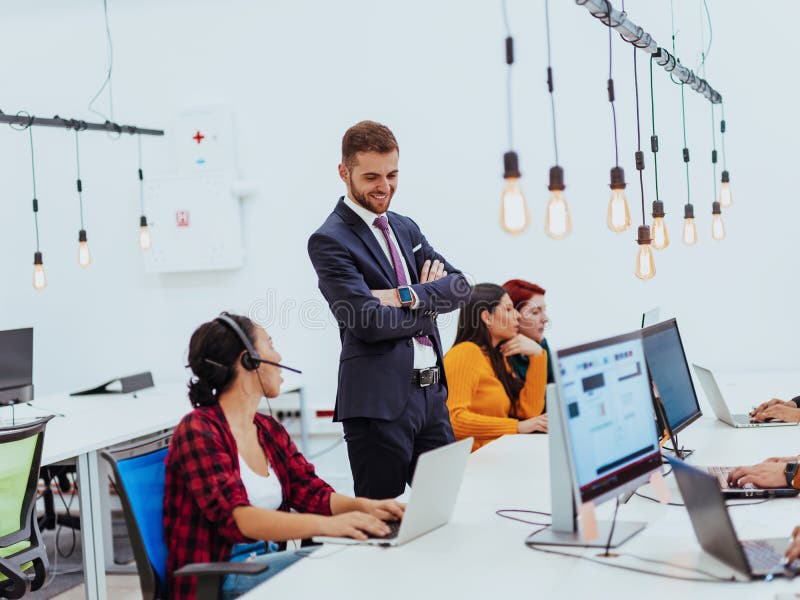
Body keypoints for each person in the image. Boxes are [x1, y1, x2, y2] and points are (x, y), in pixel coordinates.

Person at [164, 313, 404, 599]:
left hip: (262, 565)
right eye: (270, 344)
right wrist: (331, 526)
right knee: (341, 568)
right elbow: (240, 518)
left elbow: (310, 492)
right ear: (248, 360)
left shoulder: (267, 429)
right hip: (221, 575)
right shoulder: (199, 429)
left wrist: (365, 507)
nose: (279, 356)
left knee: (364, 552)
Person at [307, 121, 470, 499]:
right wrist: (430, 301)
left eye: (392, 174)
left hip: (432, 399)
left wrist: (404, 295)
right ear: (343, 173)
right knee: (382, 522)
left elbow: (460, 287)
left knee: (446, 504)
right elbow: (368, 322)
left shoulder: (405, 228)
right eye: (371, 176)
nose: (384, 186)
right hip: (377, 406)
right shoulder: (329, 240)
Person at [444, 283, 548, 452]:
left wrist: (538, 357)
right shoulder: (465, 353)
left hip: (497, 454)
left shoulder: (497, 358)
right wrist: (517, 427)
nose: (517, 316)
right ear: (487, 317)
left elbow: (529, 412)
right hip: (474, 462)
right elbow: (454, 420)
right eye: (508, 310)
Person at [502, 279, 554, 388]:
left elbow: (553, 393)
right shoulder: (501, 354)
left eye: (544, 311)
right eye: (535, 312)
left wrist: (538, 353)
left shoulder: (541, 344)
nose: (545, 319)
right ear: (513, 313)